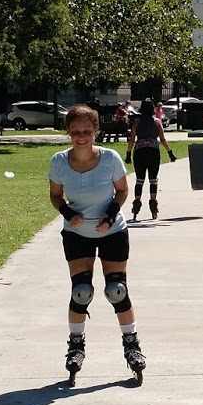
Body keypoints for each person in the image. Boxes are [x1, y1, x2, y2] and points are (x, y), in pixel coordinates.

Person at [48, 103, 146, 382]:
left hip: (112, 231)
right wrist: (68, 213)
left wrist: (110, 214)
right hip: (77, 233)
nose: (82, 137)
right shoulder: (58, 162)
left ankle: (132, 345)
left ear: (96, 131)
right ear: (68, 133)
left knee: (117, 290)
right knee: (81, 291)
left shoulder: (110, 158)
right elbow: (55, 195)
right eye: (76, 131)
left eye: (87, 131)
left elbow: (122, 190)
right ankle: (75, 346)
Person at [125, 95, 176, 221]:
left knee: (139, 180)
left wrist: (128, 154)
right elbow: (163, 139)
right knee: (153, 180)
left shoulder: (137, 122)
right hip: (153, 152)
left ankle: (136, 204)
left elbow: (132, 139)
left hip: (139, 152)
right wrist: (170, 152)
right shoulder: (157, 122)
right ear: (152, 108)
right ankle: (153, 205)